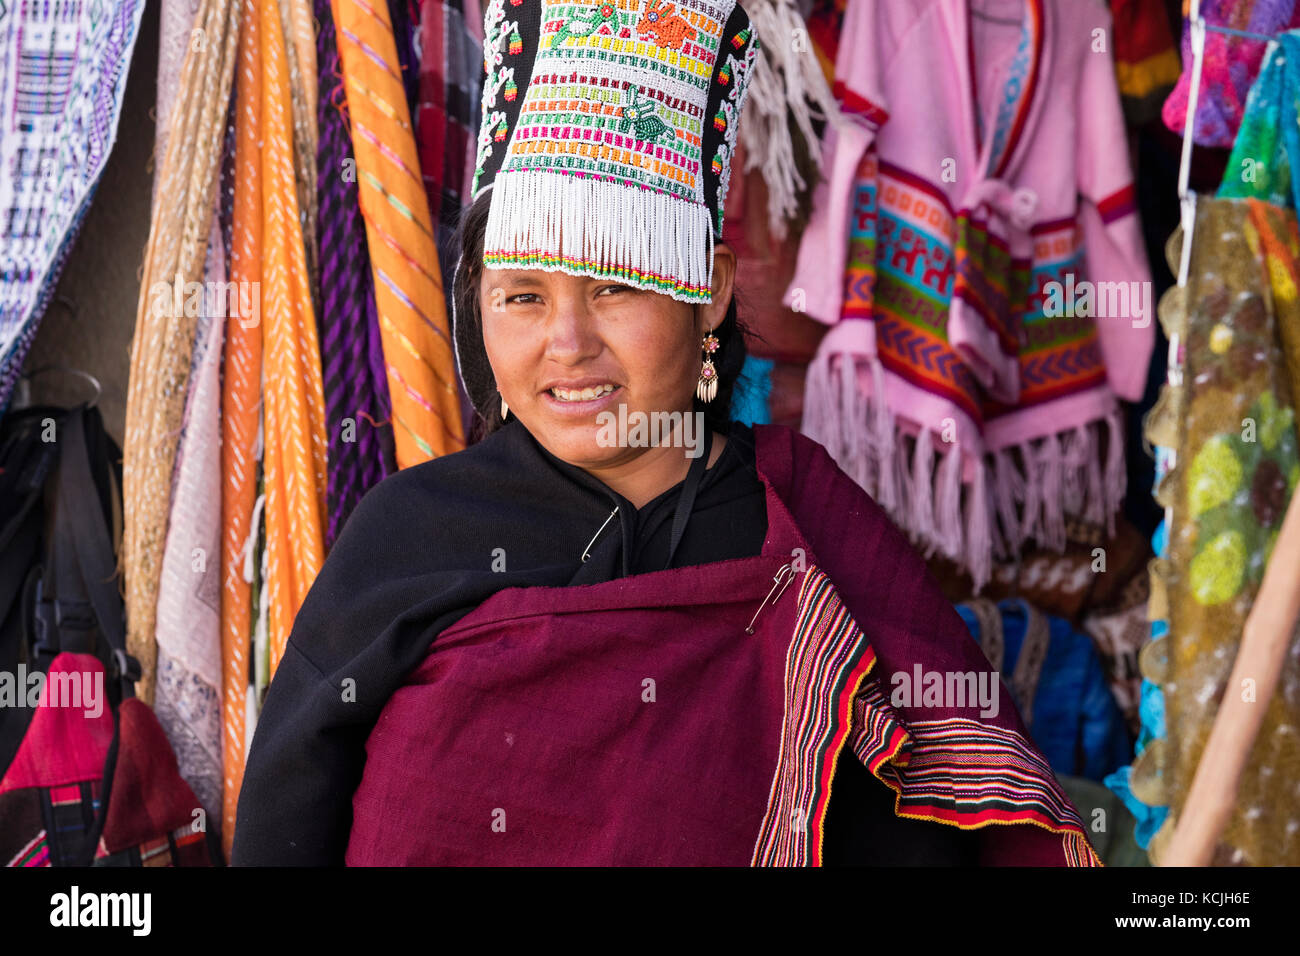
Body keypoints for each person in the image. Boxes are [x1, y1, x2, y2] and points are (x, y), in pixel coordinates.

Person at [232, 0, 1097, 866]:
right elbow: (285, 829)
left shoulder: (804, 524)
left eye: (617, 288)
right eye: (523, 297)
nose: (566, 345)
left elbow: (956, 815)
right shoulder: (408, 537)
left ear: (710, 290)